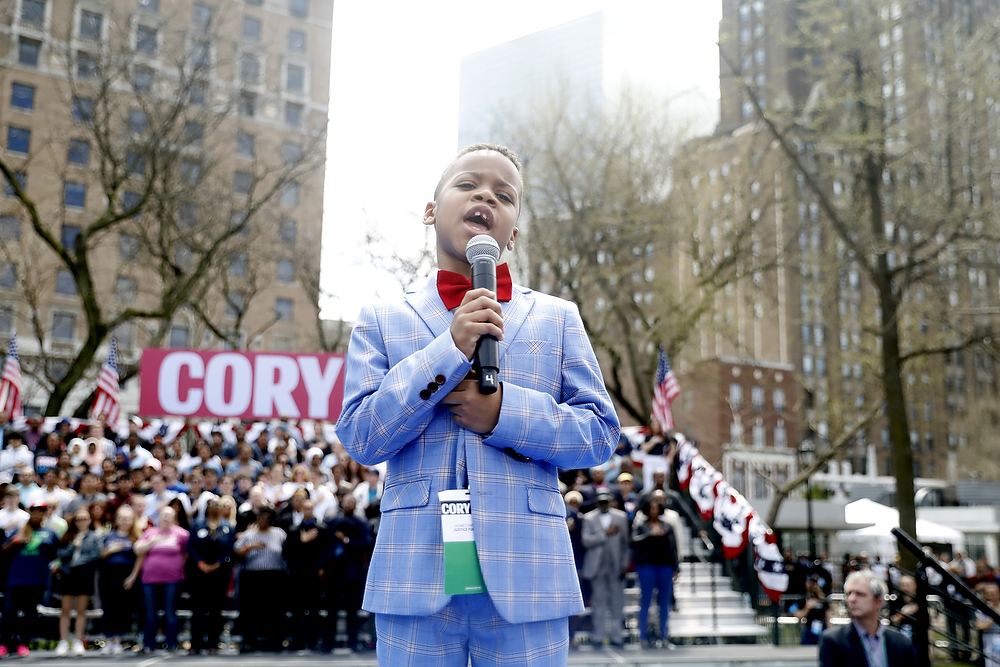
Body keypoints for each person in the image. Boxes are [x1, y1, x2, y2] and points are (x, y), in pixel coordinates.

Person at [336, 143, 619, 664]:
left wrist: (504, 414)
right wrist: (449, 349)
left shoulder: (557, 318)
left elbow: (600, 434)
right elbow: (360, 436)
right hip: (415, 577)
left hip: (528, 576)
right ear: (430, 209)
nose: (486, 195)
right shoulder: (381, 320)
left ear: (512, 231)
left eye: (504, 194)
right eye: (468, 184)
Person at [818, 569, 918, 666]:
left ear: (878, 602)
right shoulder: (833, 640)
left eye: (860, 594)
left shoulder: (901, 642)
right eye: (849, 594)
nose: (852, 599)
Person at [0, 502, 58, 658]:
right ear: (29, 512)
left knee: (30, 614)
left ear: (44, 513)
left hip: (36, 580)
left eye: (41, 511)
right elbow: (3, 550)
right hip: (16, 578)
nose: (37, 514)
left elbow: (55, 555)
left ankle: (23, 644)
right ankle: (5, 643)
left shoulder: (50, 533)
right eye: (34, 511)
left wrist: (55, 566)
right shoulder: (19, 530)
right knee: (9, 613)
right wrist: (16, 541)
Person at [631, 491, 683, 648]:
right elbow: (634, 541)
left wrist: (676, 566)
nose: (653, 511)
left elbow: (673, 547)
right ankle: (643, 636)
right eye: (651, 508)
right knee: (646, 600)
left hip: (665, 566)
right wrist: (650, 534)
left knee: (664, 602)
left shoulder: (667, 526)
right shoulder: (641, 525)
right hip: (646, 566)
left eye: (656, 508)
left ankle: (664, 635)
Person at [321, 494, 372, 651]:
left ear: (355, 505)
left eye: (352, 502)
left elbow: (368, 542)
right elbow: (324, 545)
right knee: (331, 609)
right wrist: (322, 566)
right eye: (346, 501)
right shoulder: (331, 522)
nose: (349, 504)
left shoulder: (361, 523)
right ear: (341, 503)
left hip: (352, 572)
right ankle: (328, 643)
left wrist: (347, 540)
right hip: (333, 570)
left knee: (352, 610)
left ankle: (353, 642)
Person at [135, 505, 189, 653]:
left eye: (169, 516)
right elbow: (137, 549)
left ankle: (171, 643)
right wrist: (152, 541)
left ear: (174, 518)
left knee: (170, 611)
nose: (165, 518)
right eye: (163, 515)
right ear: (159, 517)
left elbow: (188, 552)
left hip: (172, 579)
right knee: (150, 613)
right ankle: (148, 644)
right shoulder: (151, 532)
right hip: (149, 579)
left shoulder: (181, 534)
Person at [234, 506, 287, 652]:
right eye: (261, 517)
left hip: (274, 576)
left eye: (267, 517)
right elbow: (236, 552)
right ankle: (248, 641)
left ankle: (275, 642)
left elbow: (287, 553)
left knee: (274, 611)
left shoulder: (279, 534)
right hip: (252, 576)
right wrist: (249, 547)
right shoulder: (249, 534)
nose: (264, 520)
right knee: (250, 610)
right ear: (257, 518)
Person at [581, 490, 630, 647]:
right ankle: (598, 637)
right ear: (596, 502)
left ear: (610, 501)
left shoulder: (620, 517)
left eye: (606, 501)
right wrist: (605, 533)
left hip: (615, 566)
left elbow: (625, 544)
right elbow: (586, 540)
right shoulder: (589, 518)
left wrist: (624, 564)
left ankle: (617, 637)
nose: (603, 504)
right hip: (597, 566)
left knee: (617, 603)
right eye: (600, 502)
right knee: (599, 602)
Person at [187, 497, 235, 654]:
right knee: (198, 609)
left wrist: (218, 564)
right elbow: (190, 547)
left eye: (217, 505)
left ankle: (213, 643)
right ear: (207, 508)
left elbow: (229, 548)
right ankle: (196, 643)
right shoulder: (197, 525)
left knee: (216, 609)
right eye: (211, 505)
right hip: (199, 572)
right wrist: (201, 563)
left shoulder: (228, 526)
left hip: (219, 573)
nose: (215, 507)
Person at [54, 508, 103, 656]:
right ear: (74, 522)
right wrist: (72, 546)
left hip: (84, 574)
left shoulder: (94, 537)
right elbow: (60, 555)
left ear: (89, 521)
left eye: (84, 519)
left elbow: (96, 554)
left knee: (81, 610)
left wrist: (79, 561)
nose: (81, 522)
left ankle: (77, 640)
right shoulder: (68, 536)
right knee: (65, 610)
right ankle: (63, 641)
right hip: (68, 574)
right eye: (78, 519)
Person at [99, 505, 144, 655]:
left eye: (128, 519)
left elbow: (140, 558)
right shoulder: (108, 536)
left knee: (122, 608)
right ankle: (108, 640)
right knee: (108, 607)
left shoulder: (136, 537)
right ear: (117, 520)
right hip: (108, 575)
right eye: (122, 518)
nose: (125, 521)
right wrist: (110, 550)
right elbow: (100, 556)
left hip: (126, 576)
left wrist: (132, 577)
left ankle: (118, 640)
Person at [283, 498, 326, 651]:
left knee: (314, 610)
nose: (308, 511)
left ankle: (314, 641)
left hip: (314, 575)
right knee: (298, 610)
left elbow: (324, 551)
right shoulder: (294, 530)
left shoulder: (321, 529)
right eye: (305, 508)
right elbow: (287, 553)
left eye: (310, 508)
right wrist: (302, 541)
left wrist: (321, 568)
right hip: (298, 576)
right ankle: (298, 642)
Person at [795, 575, 829, 645]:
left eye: (815, 584)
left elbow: (828, 615)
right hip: (809, 627)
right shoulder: (803, 598)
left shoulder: (823, 599)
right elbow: (798, 616)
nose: (813, 586)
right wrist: (808, 607)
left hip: (822, 627)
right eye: (810, 583)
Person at [977, 582, 1000, 667]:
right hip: (990, 643)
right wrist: (993, 616)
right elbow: (980, 626)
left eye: (994, 594)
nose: (992, 597)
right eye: (989, 595)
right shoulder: (983, 609)